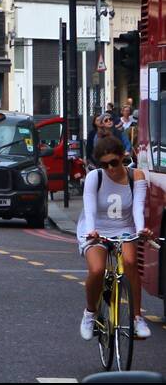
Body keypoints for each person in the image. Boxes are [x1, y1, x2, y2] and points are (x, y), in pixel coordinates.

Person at [78, 136, 152, 341]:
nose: (110, 168)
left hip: (125, 228)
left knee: (130, 262)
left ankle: (137, 318)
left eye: (114, 162)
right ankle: (90, 313)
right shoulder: (95, 177)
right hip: (96, 229)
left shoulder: (136, 176)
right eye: (104, 164)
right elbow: (89, 209)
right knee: (97, 270)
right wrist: (92, 231)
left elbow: (138, 208)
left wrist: (141, 229)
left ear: (123, 157)